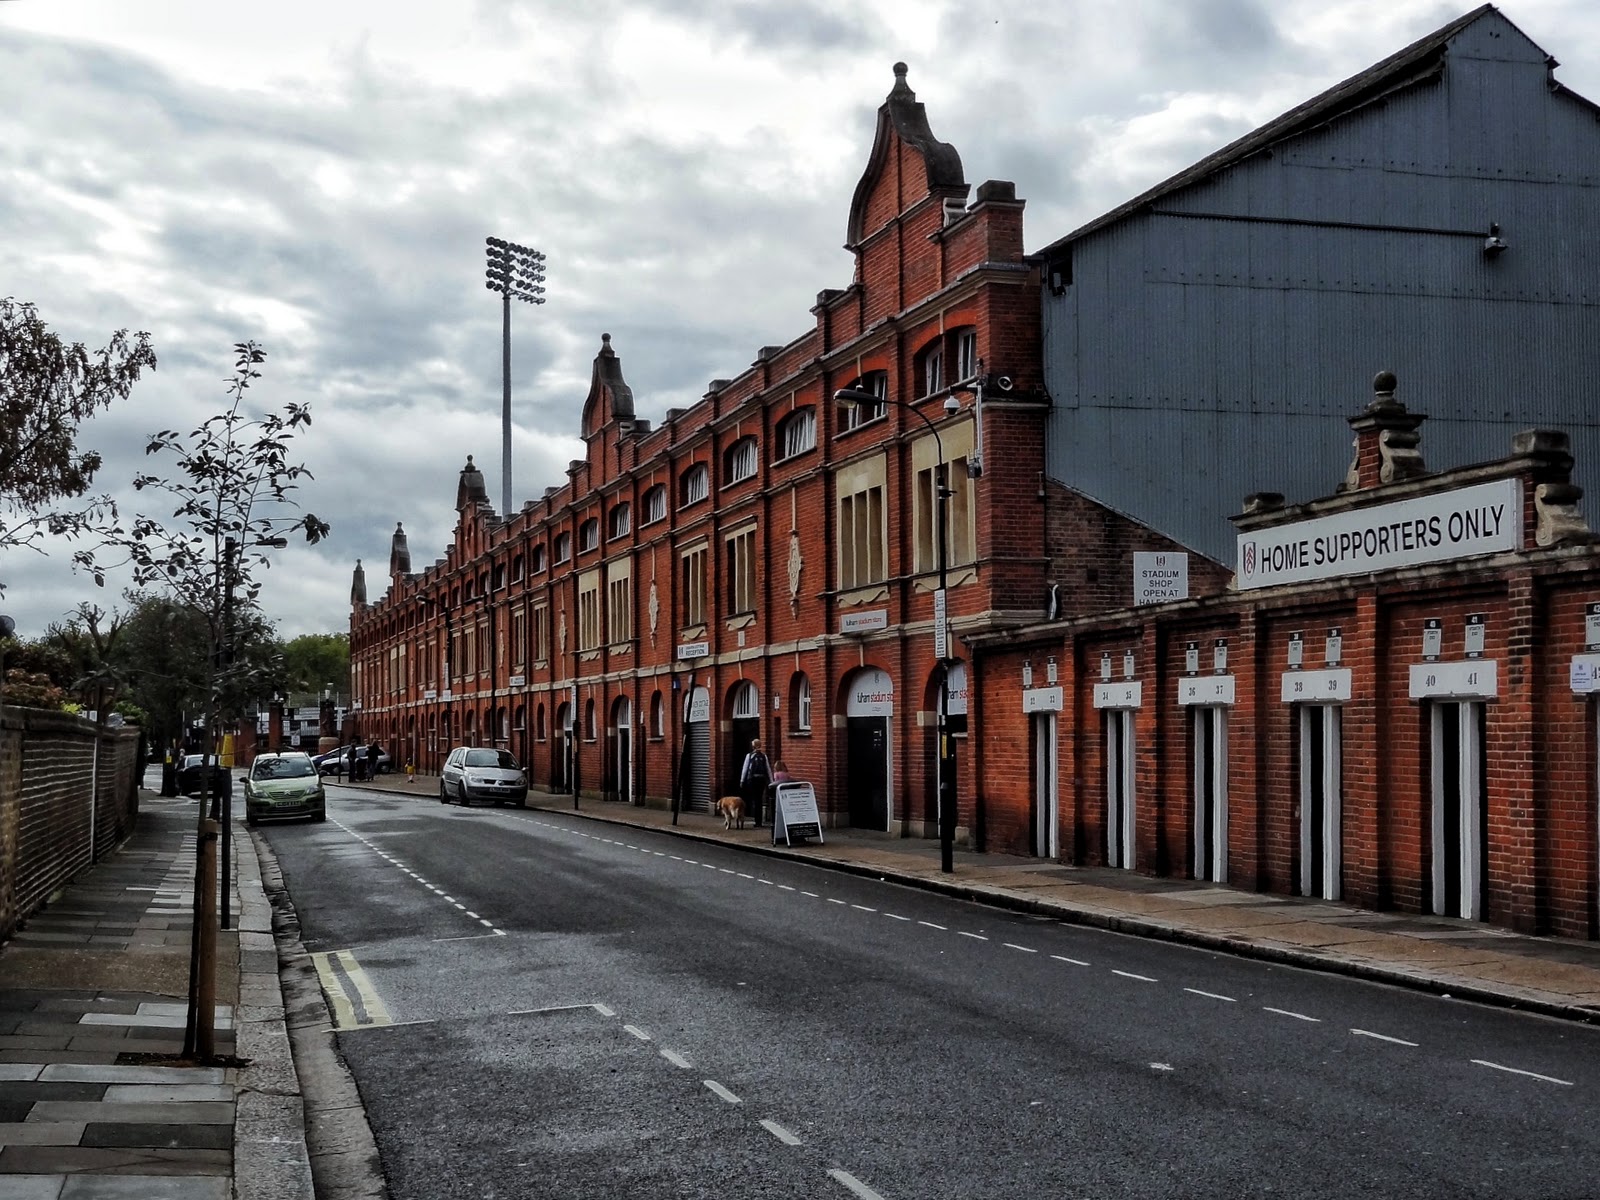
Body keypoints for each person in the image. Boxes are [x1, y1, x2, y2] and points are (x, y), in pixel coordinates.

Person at [739, 737, 771, 827]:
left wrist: (742, 780)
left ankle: (754, 818)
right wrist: (771, 781)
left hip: (752, 780)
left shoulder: (749, 756)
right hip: (761, 780)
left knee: (753, 800)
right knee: (759, 800)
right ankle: (759, 822)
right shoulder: (764, 756)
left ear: (753, 746)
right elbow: (768, 769)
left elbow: (745, 769)